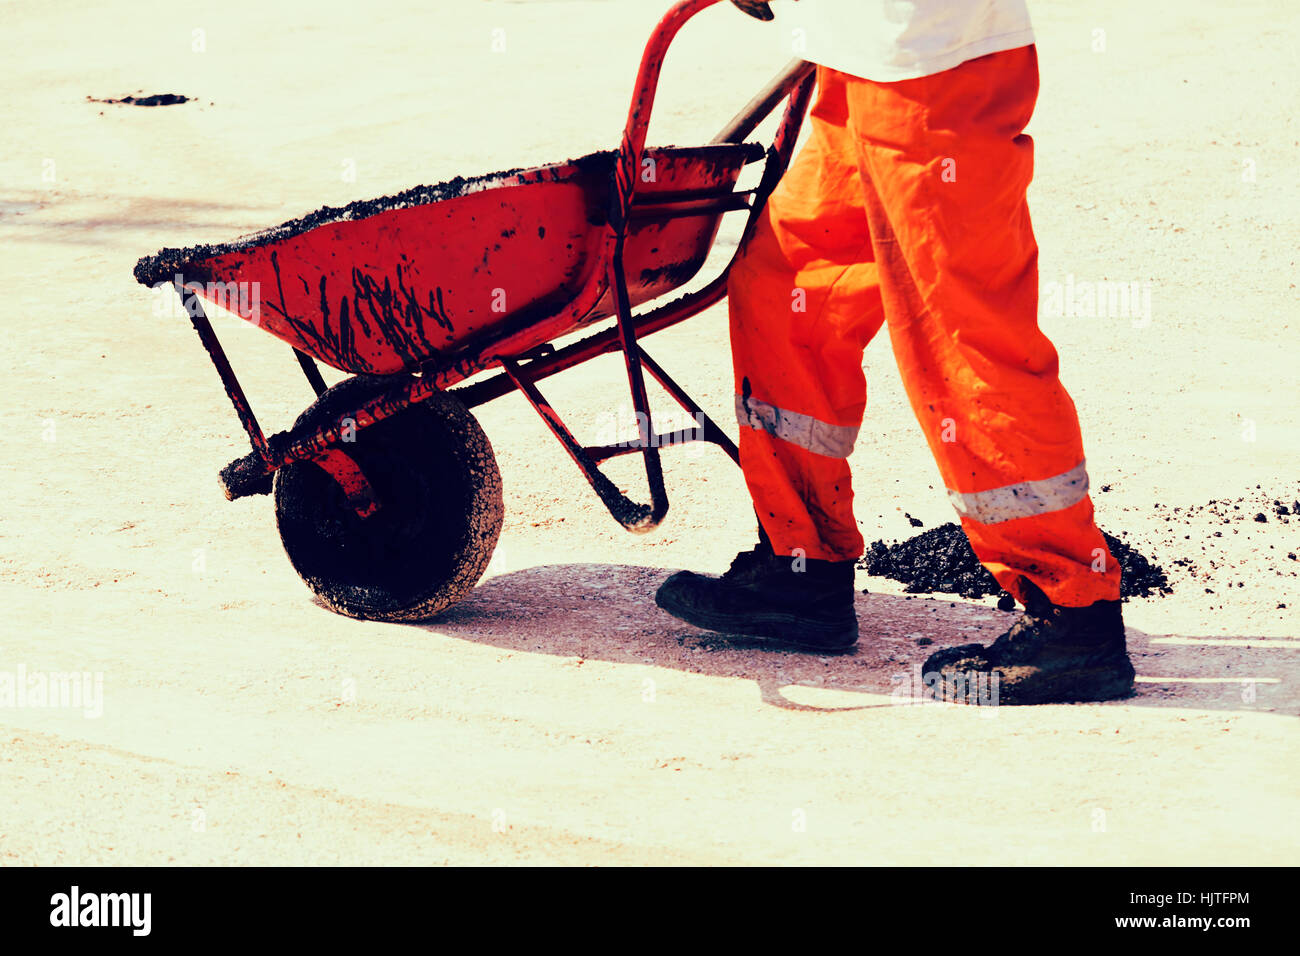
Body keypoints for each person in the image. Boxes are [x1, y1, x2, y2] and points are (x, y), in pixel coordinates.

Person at [654, 0, 1135, 704]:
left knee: (962, 338)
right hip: (861, 60)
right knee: (786, 291)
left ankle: (1073, 612)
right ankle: (801, 570)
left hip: (936, 70)